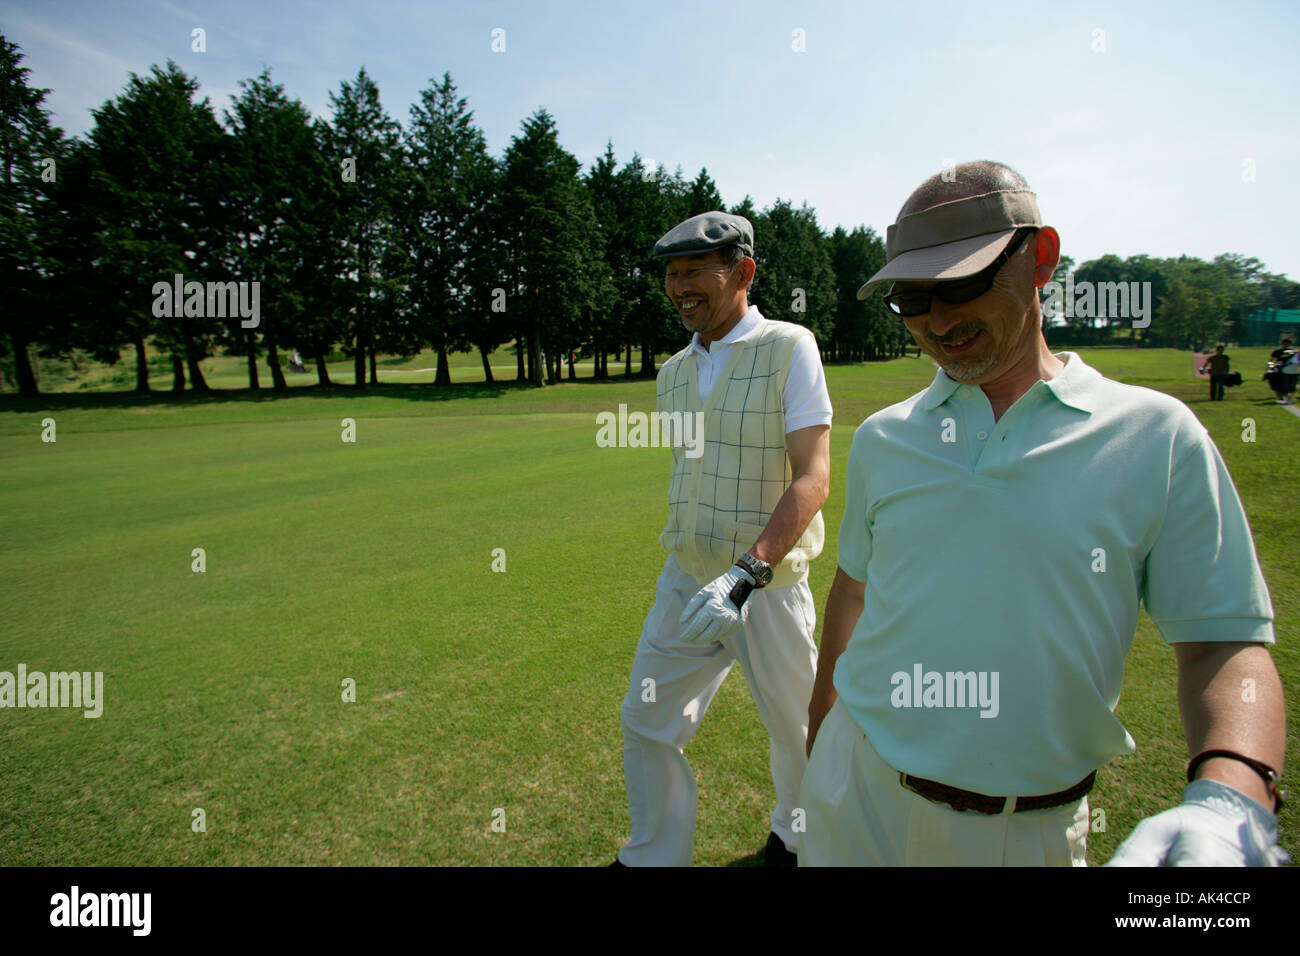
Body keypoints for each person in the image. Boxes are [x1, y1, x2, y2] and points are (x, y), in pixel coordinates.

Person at [799, 161, 1286, 867]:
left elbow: (1222, 641)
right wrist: (821, 737)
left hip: (1024, 834)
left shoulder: (1157, 434)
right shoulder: (883, 437)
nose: (938, 321)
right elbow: (853, 590)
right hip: (856, 797)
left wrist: (1230, 795)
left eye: (962, 283)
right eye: (911, 298)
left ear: (1042, 259)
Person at [613, 212, 833, 866]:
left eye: (693, 272)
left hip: (767, 586)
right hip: (686, 578)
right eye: (670, 275)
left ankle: (798, 844)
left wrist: (747, 571)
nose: (678, 286)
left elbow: (814, 476)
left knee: (797, 733)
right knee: (645, 719)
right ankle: (653, 855)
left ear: (742, 271)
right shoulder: (672, 373)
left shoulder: (790, 347)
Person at [1270, 338, 1298, 405]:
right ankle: (1282, 396)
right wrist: (1271, 368)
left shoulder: (1294, 352)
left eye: (1288, 343)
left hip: (1291, 370)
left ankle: (1288, 397)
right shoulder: (1277, 351)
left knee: (1291, 385)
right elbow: (1271, 360)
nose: (1286, 345)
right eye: (1285, 343)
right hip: (1280, 370)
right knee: (1281, 384)